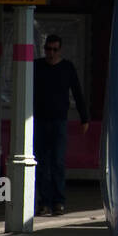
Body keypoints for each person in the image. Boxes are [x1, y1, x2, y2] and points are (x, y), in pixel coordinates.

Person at [34, 34, 89, 215]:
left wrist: (84, 118)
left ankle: (58, 201)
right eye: (48, 49)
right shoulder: (37, 67)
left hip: (59, 121)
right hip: (40, 121)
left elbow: (77, 92)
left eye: (54, 49)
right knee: (42, 163)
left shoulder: (67, 68)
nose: (50, 53)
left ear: (60, 50)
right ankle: (44, 202)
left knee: (57, 162)